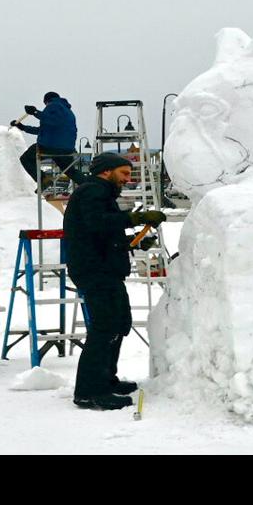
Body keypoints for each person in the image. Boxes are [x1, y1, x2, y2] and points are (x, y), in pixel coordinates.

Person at [63, 152, 166, 410]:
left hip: (105, 269)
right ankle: (88, 391)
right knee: (104, 327)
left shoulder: (102, 194)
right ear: (106, 171)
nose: (127, 179)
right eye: (124, 173)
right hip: (94, 271)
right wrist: (136, 218)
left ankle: (106, 380)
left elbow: (104, 236)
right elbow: (96, 224)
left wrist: (136, 242)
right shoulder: (91, 192)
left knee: (119, 324)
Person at [11, 91, 81, 189]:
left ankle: (44, 180)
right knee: (70, 171)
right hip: (67, 148)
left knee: (26, 158)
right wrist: (23, 127)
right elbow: (43, 129)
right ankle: (89, 184)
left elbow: (52, 121)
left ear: (46, 101)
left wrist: (35, 112)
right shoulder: (68, 112)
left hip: (51, 146)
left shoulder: (54, 105)